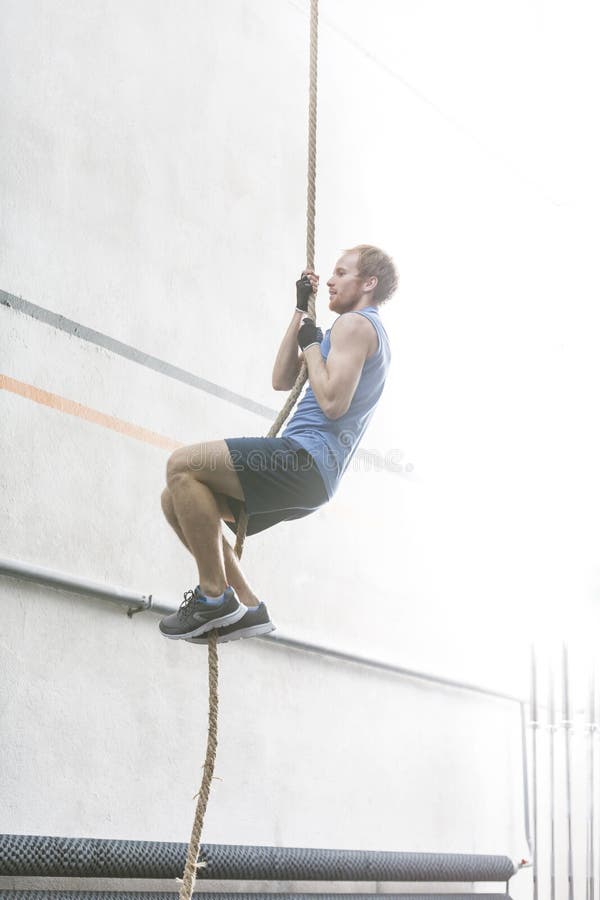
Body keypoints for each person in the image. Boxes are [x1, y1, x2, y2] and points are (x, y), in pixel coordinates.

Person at [158, 244, 397, 644]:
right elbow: (282, 379)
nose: (331, 281)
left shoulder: (357, 325)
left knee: (182, 464)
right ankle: (248, 607)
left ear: (368, 283)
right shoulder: (350, 332)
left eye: (341, 272)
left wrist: (311, 346)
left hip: (307, 460)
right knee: (177, 498)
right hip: (309, 476)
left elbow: (334, 402)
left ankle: (215, 595)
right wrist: (302, 312)